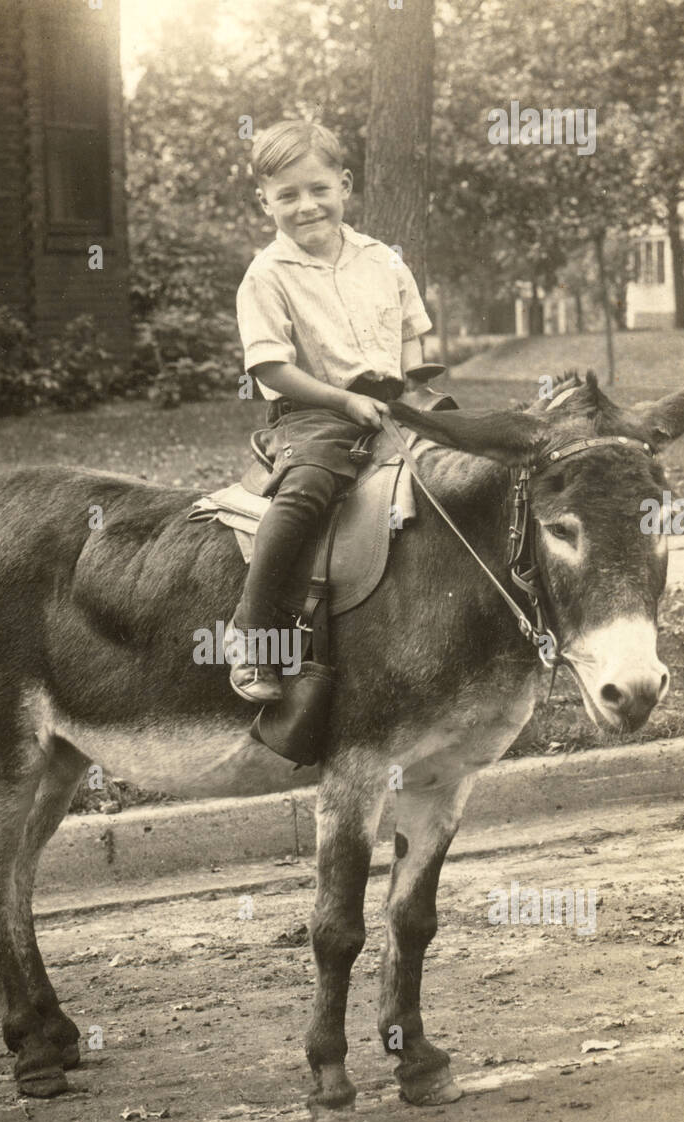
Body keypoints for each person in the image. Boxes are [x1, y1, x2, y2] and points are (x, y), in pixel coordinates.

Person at [226, 118, 431, 702]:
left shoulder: (382, 260)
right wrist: (344, 399)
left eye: (318, 189)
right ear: (264, 201)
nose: (306, 205)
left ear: (344, 185)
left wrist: (415, 386)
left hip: (396, 403)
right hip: (315, 413)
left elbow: (412, 331)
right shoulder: (266, 275)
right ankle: (252, 632)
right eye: (286, 195)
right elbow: (270, 368)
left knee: (471, 470)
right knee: (310, 486)